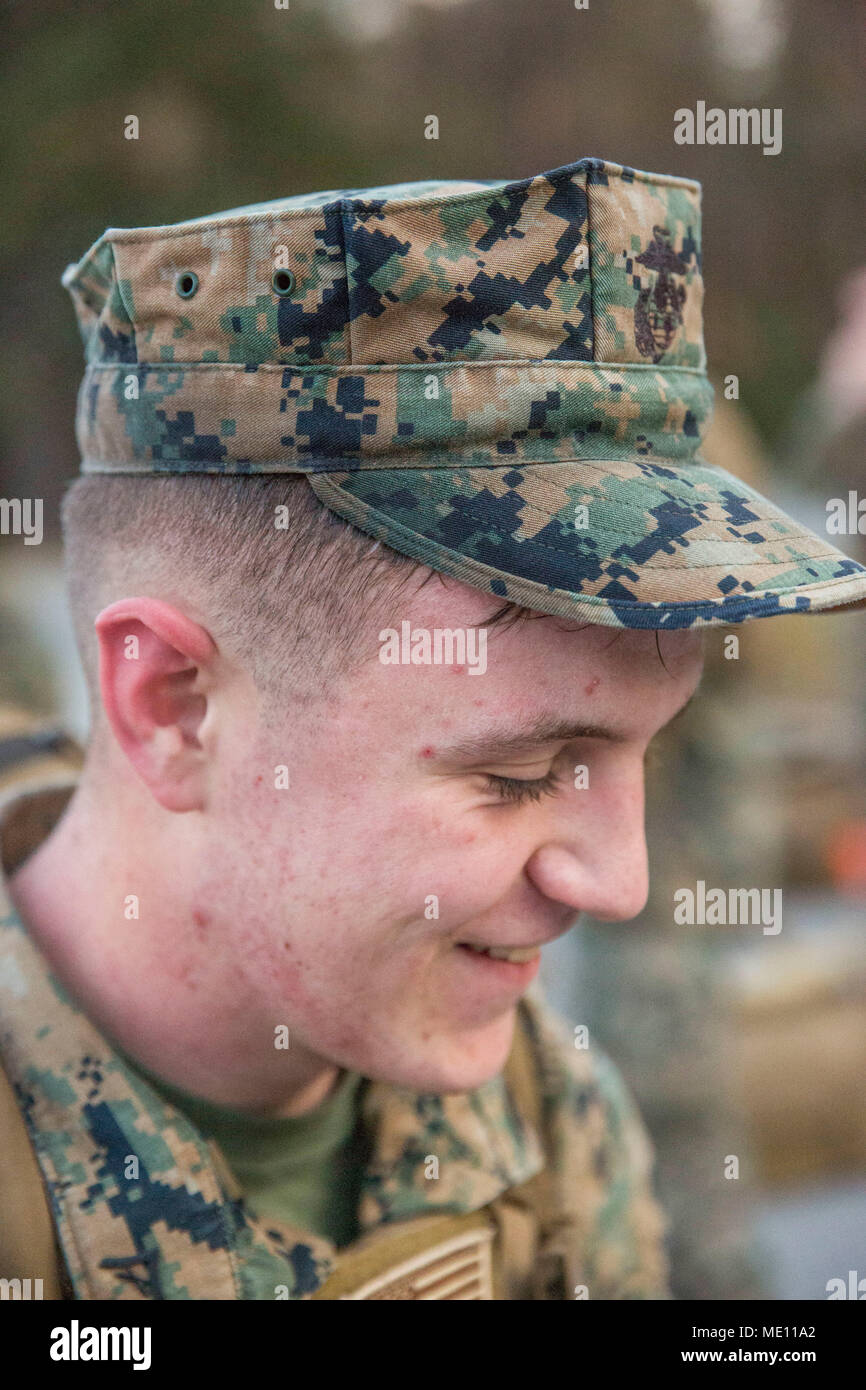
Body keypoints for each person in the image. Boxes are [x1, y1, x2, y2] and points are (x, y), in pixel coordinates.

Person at [2, 157, 865, 1302]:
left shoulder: (540, 1117)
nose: (618, 883)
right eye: (514, 774)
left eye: (640, 751)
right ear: (171, 705)